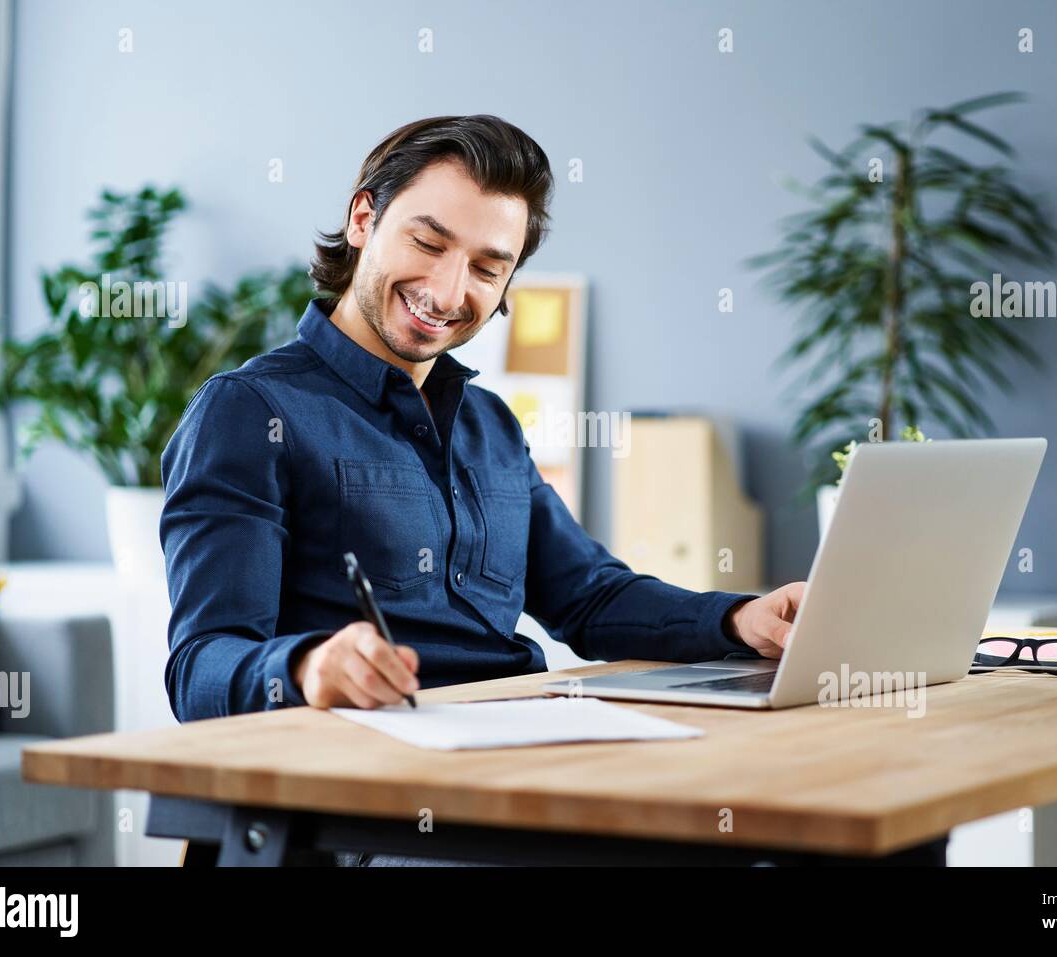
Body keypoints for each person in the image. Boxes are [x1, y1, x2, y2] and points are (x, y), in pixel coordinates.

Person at [160, 113, 805, 728]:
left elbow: (588, 597)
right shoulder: (248, 411)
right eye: (427, 243)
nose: (446, 292)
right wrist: (305, 668)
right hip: (370, 789)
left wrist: (741, 620)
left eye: (487, 268)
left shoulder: (489, 422)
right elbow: (200, 669)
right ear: (363, 218)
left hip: (520, 738)